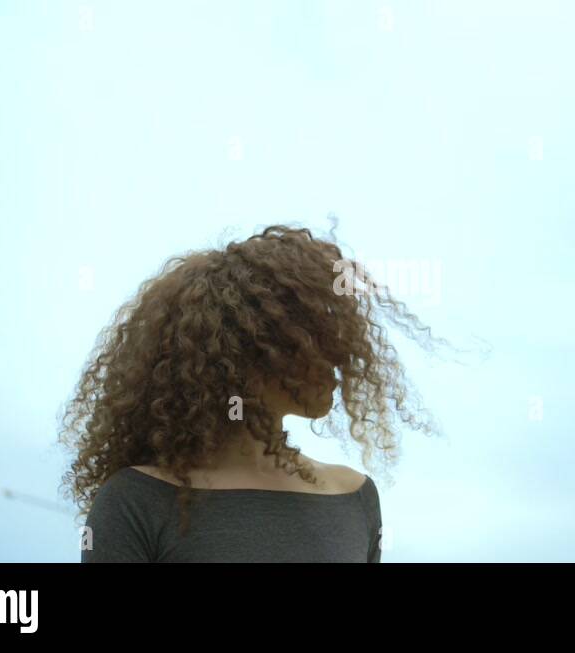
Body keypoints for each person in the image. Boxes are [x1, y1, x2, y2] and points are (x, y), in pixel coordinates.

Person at [58, 224, 441, 562]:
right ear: (247, 352)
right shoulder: (135, 501)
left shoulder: (356, 497)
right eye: (313, 338)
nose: (340, 356)